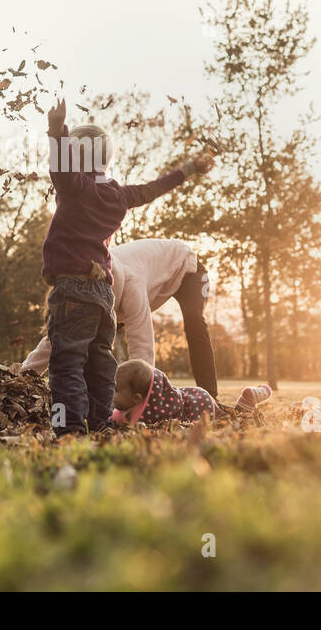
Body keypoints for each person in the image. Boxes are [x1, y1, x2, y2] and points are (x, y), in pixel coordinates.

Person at [42, 98, 213, 435]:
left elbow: (61, 169)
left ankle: (69, 429)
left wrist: (56, 131)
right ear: (108, 159)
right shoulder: (119, 196)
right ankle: (102, 423)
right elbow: (155, 188)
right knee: (100, 364)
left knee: (65, 365)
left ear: (77, 159)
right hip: (104, 295)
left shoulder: (76, 188)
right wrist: (189, 170)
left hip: (72, 289)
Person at [21, 238, 220, 396]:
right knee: (85, 336)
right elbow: (56, 338)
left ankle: (210, 395)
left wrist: (142, 395)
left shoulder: (133, 286)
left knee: (194, 321)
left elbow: (142, 347)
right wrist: (22, 378)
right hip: (136, 284)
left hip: (186, 267)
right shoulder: (81, 290)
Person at [110, 358, 272, 426]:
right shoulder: (137, 402)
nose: (110, 392)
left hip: (198, 405)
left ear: (137, 398)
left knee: (231, 420)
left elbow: (118, 420)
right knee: (226, 411)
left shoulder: (150, 414)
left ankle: (249, 401)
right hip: (193, 394)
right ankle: (248, 398)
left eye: (116, 389)